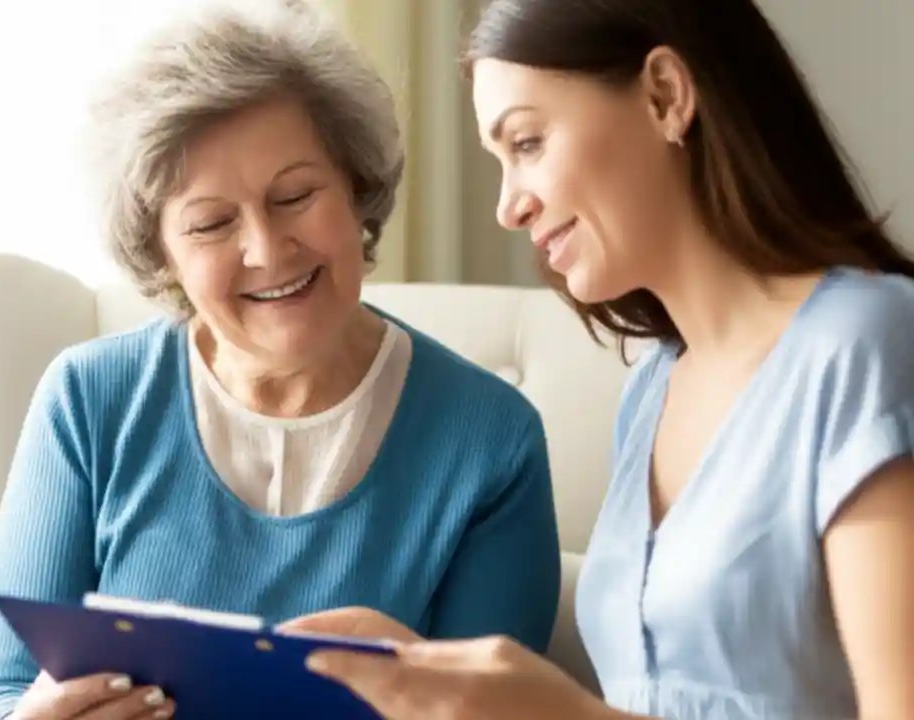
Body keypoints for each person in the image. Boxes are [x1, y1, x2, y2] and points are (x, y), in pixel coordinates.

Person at [288, 0, 914, 718]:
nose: (508, 206)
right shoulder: (651, 391)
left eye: (526, 143)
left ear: (665, 97)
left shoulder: (865, 343)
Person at [0, 2, 562, 719]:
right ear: (163, 256)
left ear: (357, 190)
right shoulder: (88, 402)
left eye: (297, 195)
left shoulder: (490, 439)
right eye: (211, 223)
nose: (268, 251)